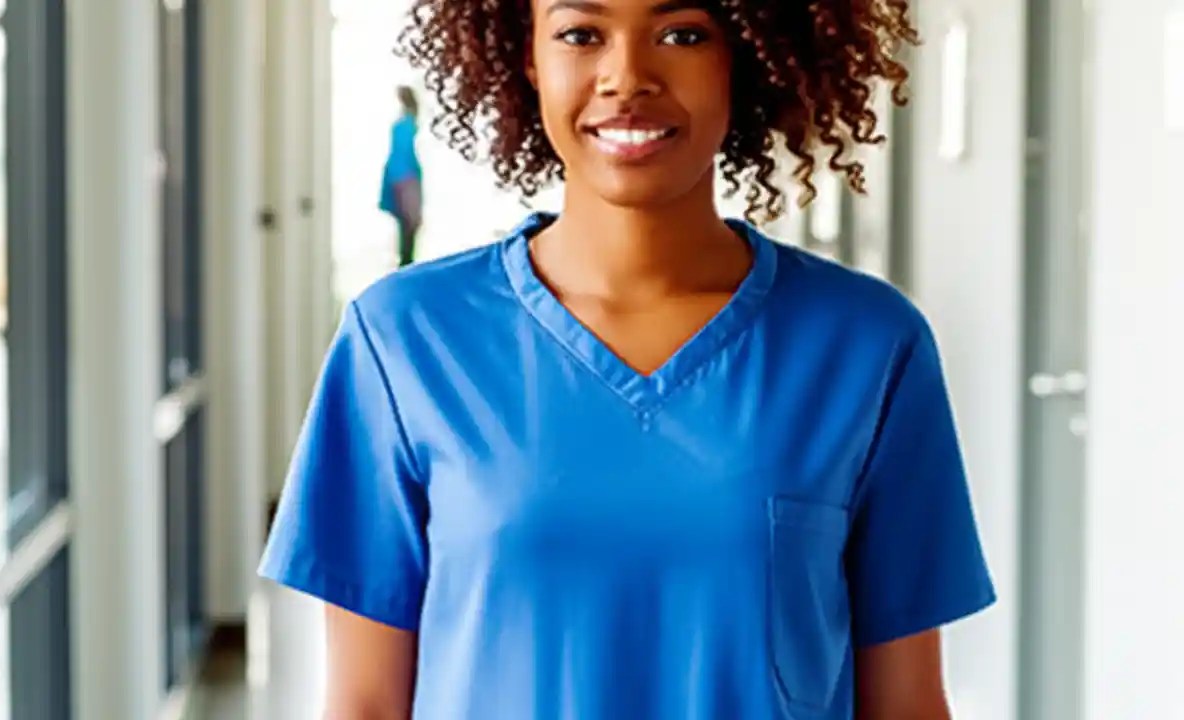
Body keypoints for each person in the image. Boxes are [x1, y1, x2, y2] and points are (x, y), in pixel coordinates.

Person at [261, 0, 996, 717]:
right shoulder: (404, 340)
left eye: (682, 32)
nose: (627, 75)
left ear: (745, 52)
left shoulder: (866, 345)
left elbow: (906, 703)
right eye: (582, 32)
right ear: (529, 57)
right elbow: (362, 703)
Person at [379, 85, 423, 267]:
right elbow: (402, 156)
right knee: (408, 225)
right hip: (404, 179)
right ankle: (405, 263)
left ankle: (406, 262)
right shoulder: (405, 125)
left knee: (408, 226)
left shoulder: (405, 124)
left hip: (404, 177)